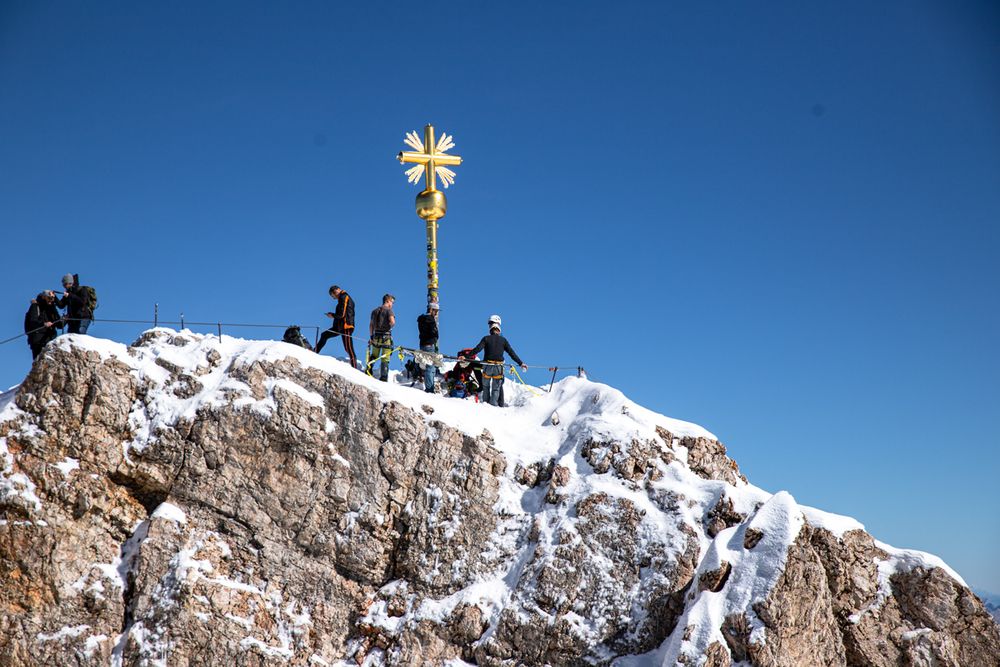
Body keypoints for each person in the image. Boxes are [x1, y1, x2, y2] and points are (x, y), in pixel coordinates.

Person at [468, 314, 527, 407]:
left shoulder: (486, 338)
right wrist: (521, 363)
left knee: (486, 387)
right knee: (496, 389)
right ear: (499, 329)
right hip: (498, 368)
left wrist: (466, 357)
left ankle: (485, 405)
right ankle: (493, 406)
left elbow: (477, 349)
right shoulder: (503, 340)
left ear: (490, 329)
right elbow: (511, 353)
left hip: (487, 366)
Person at [315, 285, 357, 368]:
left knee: (348, 347)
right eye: (332, 296)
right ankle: (315, 351)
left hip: (346, 326)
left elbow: (342, 314)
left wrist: (332, 315)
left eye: (333, 294)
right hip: (339, 326)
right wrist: (333, 315)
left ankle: (354, 367)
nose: (334, 296)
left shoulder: (344, 297)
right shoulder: (341, 298)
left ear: (338, 290)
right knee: (324, 335)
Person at [24, 291, 64, 360]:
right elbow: (33, 321)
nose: (50, 300)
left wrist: (64, 320)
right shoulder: (35, 306)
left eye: (52, 298)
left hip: (50, 338)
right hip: (38, 339)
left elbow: (59, 325)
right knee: (39, 360)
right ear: (43, 297)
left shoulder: (52, 308)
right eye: (49, 298)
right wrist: (44, 324)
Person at [367, 294, 396, 381]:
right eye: (392, 302)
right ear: (388, 301)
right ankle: (383, 377)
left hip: (376, 337)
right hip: (386, 337)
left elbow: (371, 325)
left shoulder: (374, 311)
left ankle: (368, 370)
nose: (392, 304)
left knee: (374, 355)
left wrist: (371, 336)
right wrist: (390, 326)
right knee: (385, 357)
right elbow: (392, 321)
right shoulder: (389, 311)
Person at [416, 302, 440, 392]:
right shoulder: (431, 320)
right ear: (431, 310)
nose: (436, 313)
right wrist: (435, 335)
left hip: (422, 344)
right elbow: (434, 333)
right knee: (430, 367)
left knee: (427, 366)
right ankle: (429, 389)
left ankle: (429, 387)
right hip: (430, 345)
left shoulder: (421, 319)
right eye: (436, 311)